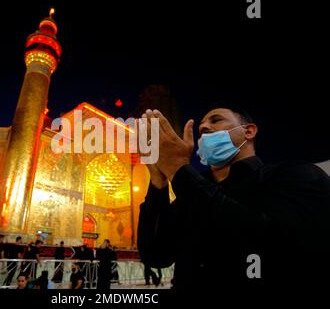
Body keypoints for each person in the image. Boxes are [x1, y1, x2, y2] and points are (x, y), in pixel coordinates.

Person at [137, 105, 330, 292]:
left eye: (216, 120)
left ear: (249, 131)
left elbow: (279, 245)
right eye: (201, 128)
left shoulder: (293, 175)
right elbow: (156, 255)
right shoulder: (191, 192)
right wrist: (158, 183)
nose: (203, 128)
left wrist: (179, 170)